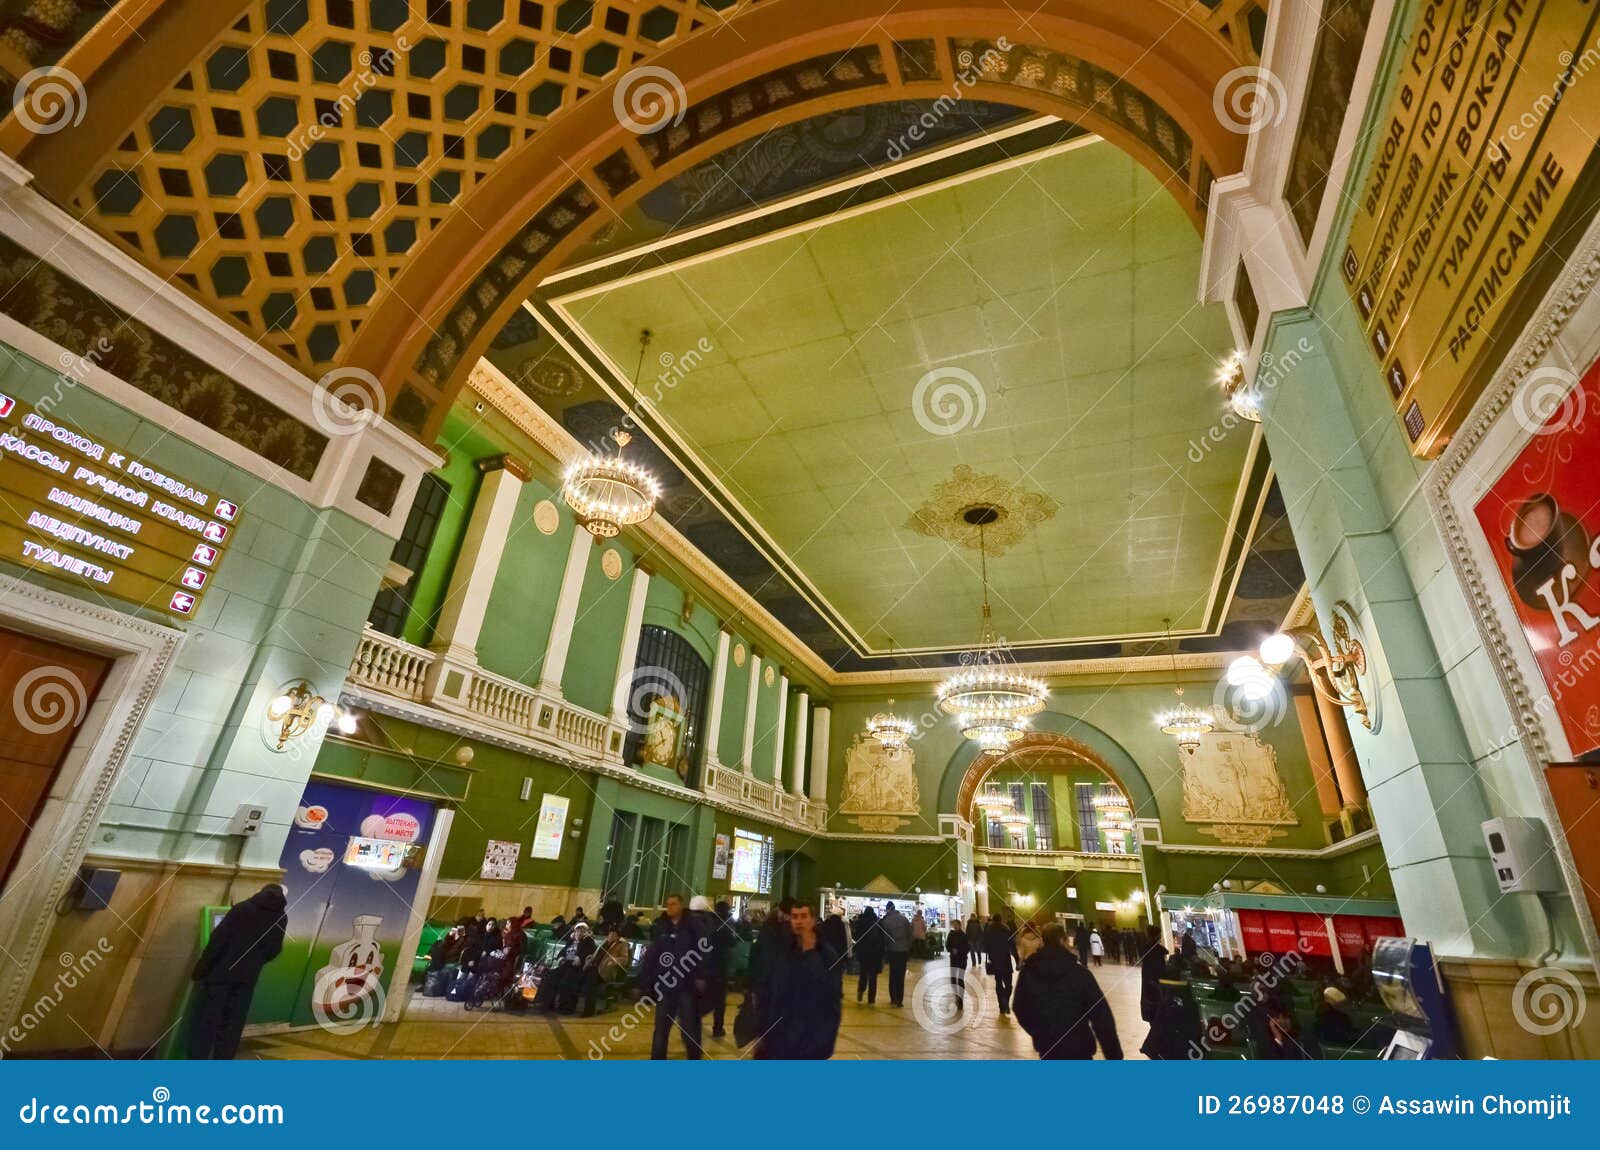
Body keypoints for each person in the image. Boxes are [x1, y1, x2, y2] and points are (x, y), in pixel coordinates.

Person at [187, 883, 287, 1059]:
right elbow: (274, 950)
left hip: (220, 975)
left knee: (207, 1021)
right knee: (233, 1024)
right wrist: (255, 961)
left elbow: (217, 941)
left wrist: (201, 968)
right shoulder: (281, 917)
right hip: (247, 979)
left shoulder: (242, 909)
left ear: (260, 893)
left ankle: (197, 1059)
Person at [1012, 923, 1122, 1060]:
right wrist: (1114, 1055)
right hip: (1080, 1050)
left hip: (1048, 1050)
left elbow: (1019, 1008)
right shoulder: (1080, 974)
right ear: (1062, 940)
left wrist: (1040, 1033)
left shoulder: (1028, 973)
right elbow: (1101, 1017)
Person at [755, 902, 842, 1059]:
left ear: (813, 920)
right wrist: (763, 1032)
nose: (799, 921)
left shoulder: (826, 955)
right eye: (795, 917)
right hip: (780, 1039)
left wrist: (824, 1042)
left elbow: (832, 1001)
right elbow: (769, 991)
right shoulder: (782, 951)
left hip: (811, 1041)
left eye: (804, 916)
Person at [644, 894, 704, 1059]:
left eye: (673, 904)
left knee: (689, 1028)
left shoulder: (693, 926)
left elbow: (702, 952)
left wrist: (700, 976)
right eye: (668, 904)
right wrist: (647, 980)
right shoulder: (662, 927)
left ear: (681, 905)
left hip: (687, 985)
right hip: (666, 985)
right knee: (661, 1030)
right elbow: (652, 955)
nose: (670, 907)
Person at [1140, 956, 1203, 1059]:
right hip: (1184, 1047)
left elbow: (1156, 1032)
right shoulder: (1189, 1000)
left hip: (1168, 1046)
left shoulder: (1167, 1001)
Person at [579, 925, 633, 1016]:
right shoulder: (605, 942)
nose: (611, 935)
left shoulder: (622, 945)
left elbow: (624, 959)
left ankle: (588, 1011)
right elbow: (596, 955)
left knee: (591, 981)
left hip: (606, 971)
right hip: (594, 967)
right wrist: (590, 959)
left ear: (618, 936)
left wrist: (613, 960)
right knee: (576, 976)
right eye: (610, 933)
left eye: (614, 934)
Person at [1259, 996, 1323, 1059]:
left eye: (1285, 1016)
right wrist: (1278, 1038)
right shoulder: (1265, 1041)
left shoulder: (1305, 1039)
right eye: (1277, 1017)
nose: (1282, 1022)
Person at [983, 912, 1018, 1016]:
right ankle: (1006, 1001)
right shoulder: (1006, 929)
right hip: (1005, 960)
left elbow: (984, 945)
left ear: (993, 920)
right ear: (1001, 919)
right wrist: (1017, 959)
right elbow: (1012, 945)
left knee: (998, 983)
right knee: (1009, 984)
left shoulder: (988, 930)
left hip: (994, 960)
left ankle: (1001, 1007)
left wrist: (989, 953)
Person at [879, 902, 913, 1006]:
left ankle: (893, 999)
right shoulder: (904, 919)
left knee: (893, 975)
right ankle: (899, 1000)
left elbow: (885, 938)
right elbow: (910, 934)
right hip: (903, 951)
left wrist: (886, 949)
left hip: (892, 951)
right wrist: (907, 946)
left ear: (888, 909)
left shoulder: (886, 921)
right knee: (900, 975)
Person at [853, 905, 885, 1004]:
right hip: (875, 954)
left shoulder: (861, 922)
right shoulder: (878, 923)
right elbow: (882, 939)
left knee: (863, 974)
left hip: (864, 953)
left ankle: (860, 991)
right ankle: (871, 999)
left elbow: (856, 937)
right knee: (873, 977)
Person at [1138, 926, 1168, 1025]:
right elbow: (1160, 969)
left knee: (1152, 1013)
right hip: (1156, 985)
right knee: (1157, 1011)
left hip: (1149, 984)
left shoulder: (1145, 948)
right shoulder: (1157, 951)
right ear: (1156, 936)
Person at [945, 915, 970, 1011]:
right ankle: (956, 995)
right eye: (953, 925)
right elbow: (947, 945)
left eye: (956, 925)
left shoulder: (964, 935)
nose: (955, 926)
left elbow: (967, 947)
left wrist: (959, 951)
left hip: (962, 960)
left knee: (960, 980)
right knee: (953, 979)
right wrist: (951, 950)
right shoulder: (951, 934)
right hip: (953, 960)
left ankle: (960, 1000)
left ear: (960, 925)